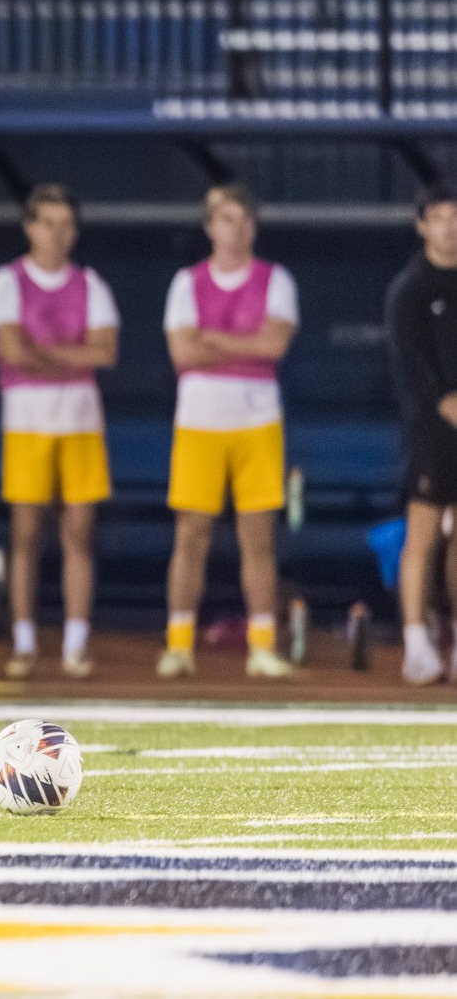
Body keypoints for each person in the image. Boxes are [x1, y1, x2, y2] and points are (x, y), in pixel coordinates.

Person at [160, 183, 297, 681]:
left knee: (257, 537)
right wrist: (244, 344)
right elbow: (182, 354)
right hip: (199, 421)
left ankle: (262, 645)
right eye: (224, 218)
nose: (234, 228)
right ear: (209, 226)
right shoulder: (186, 282)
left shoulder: (275, 279)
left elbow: (274, 345)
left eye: (243, 218)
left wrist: (211, 339)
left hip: (257, 420)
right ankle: (178, 644)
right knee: (190, 534)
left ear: (253, 226)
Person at [0, 184, 118, 680]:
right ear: (30, 226)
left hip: (81, 421)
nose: (57, 234)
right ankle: (24, 640)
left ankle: (75, 642)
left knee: (79, 533)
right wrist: (71, 356)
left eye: (66, 225)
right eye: (48, 223)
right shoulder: (7, 281)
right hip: (26, 422)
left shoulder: (91, 284)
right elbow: (12, 351)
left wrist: (41, 355)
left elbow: (105, 353)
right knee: (26, 533)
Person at [384, 183, 457, 686]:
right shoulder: (409, 289)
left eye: (456, 215)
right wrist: (446, 405)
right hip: (431, 431)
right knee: (423, 535)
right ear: (422, 225)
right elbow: (416, 371)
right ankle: (416, 642)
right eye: (439, 215)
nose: (449, 225)